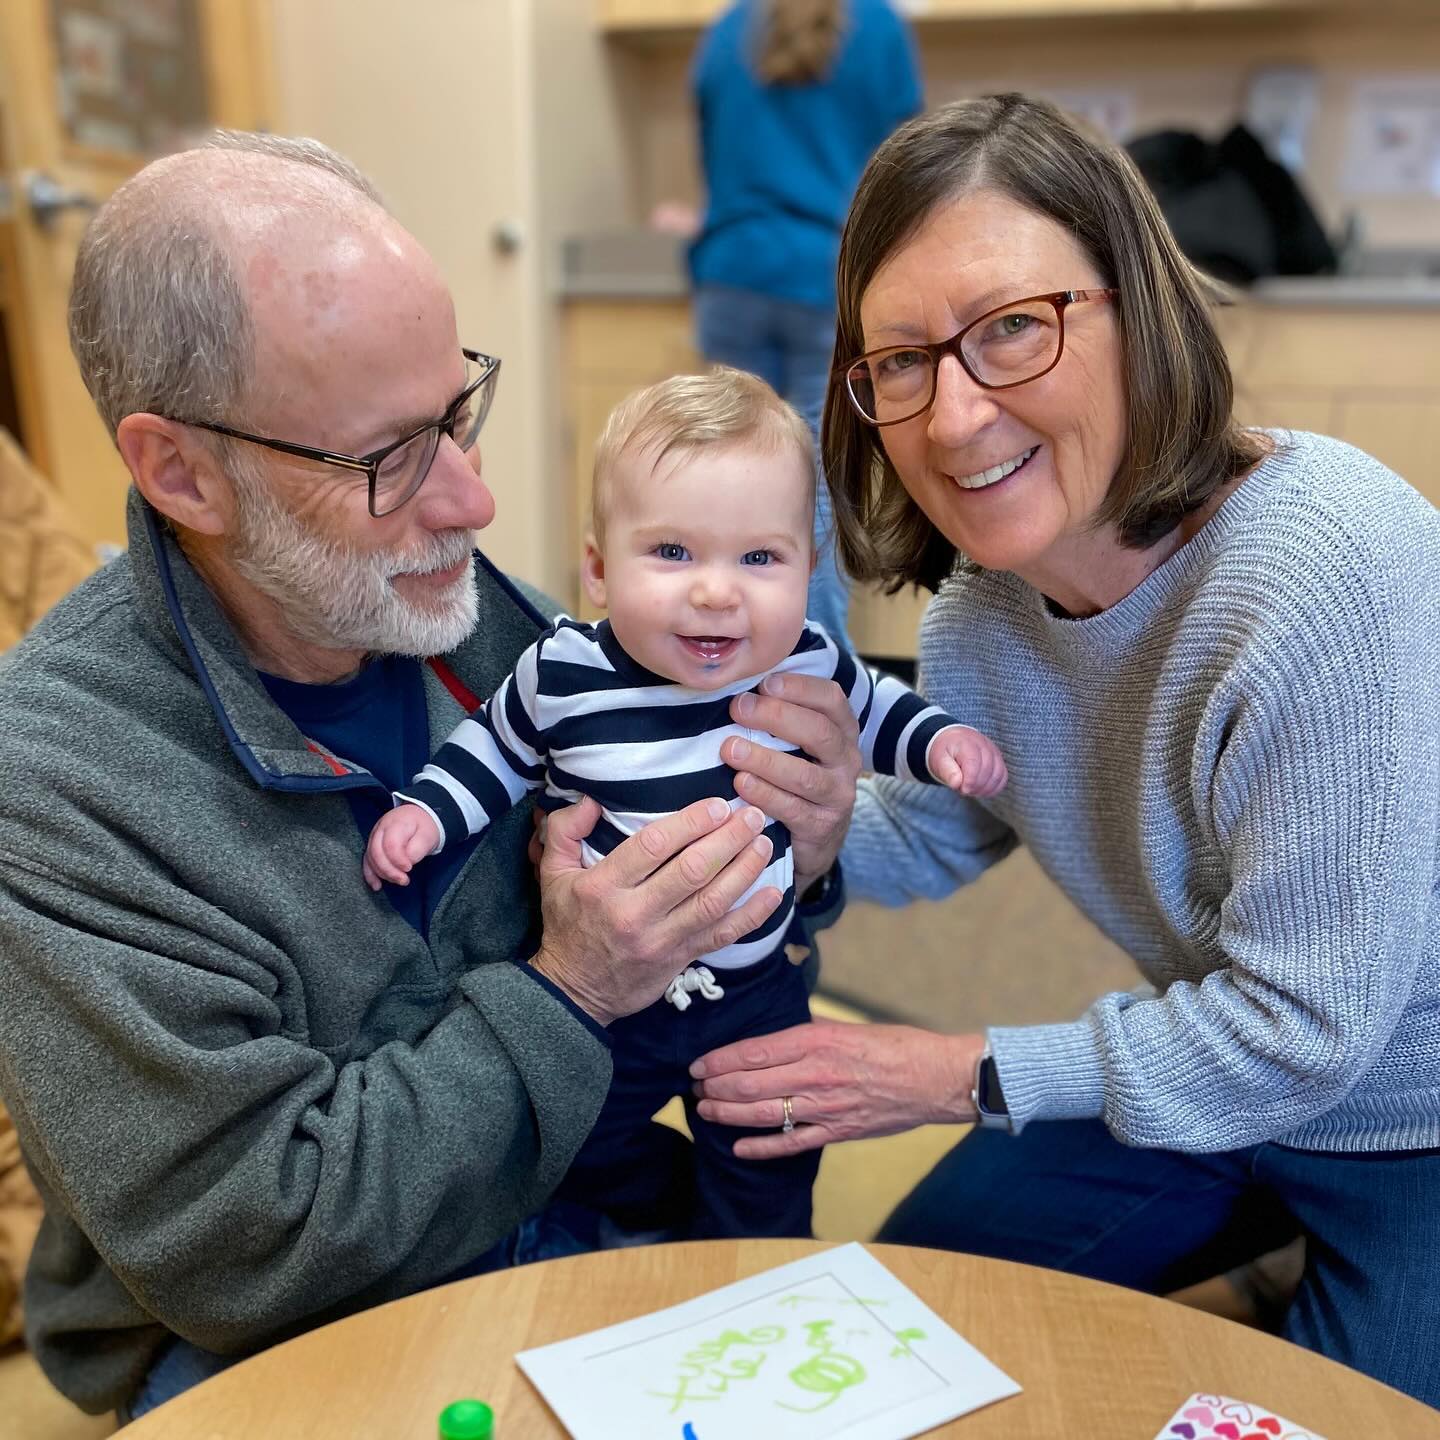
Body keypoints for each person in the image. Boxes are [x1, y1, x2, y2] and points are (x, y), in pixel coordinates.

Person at [0, 131, 862, 1422]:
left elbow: (709, 955)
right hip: (288, 1321)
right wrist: (572, 989)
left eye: (456, 411)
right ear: (181, 472)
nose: (471, 500)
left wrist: (802, 848)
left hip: (567, 1192)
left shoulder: (471, 622)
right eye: (386, 456)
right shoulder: (57, 785)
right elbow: (251, 1247)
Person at [690, 94, 1440, 1406]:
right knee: (899, 1337)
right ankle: (1248, 1270)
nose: (956, 416)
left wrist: (943, 1072)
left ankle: (1262, 1286)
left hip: (1410, 1117)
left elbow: (1306, 1032)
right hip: (1216, 1081)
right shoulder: (989, 609)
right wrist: (796, 832)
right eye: (903, 364)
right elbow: (937, 824)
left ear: (1136, 309)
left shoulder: (1325, 571)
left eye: (1013, 331)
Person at [363, 367, 1005, 1240]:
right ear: (596, 569)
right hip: (610, 1004)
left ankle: (756, 1265)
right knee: (572, 1150)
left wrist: (939, 744)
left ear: (807, 571)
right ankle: (656, 1224)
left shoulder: (807, 660)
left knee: (770, 1155)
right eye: (672, 553)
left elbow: (880, 713)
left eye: (759, 558)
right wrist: (429, 813)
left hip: (755, 995)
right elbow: (493, 750)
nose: (716, 591)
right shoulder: (563, 672)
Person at [687, 0, 923, 644]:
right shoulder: (877, 28)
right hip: (828, 276)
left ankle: (728, 650)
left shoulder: (729, 29)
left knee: (731, 470)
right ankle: (813, 663)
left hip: (732, 274)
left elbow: (713, 158)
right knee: (817, 480)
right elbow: (908, 167)